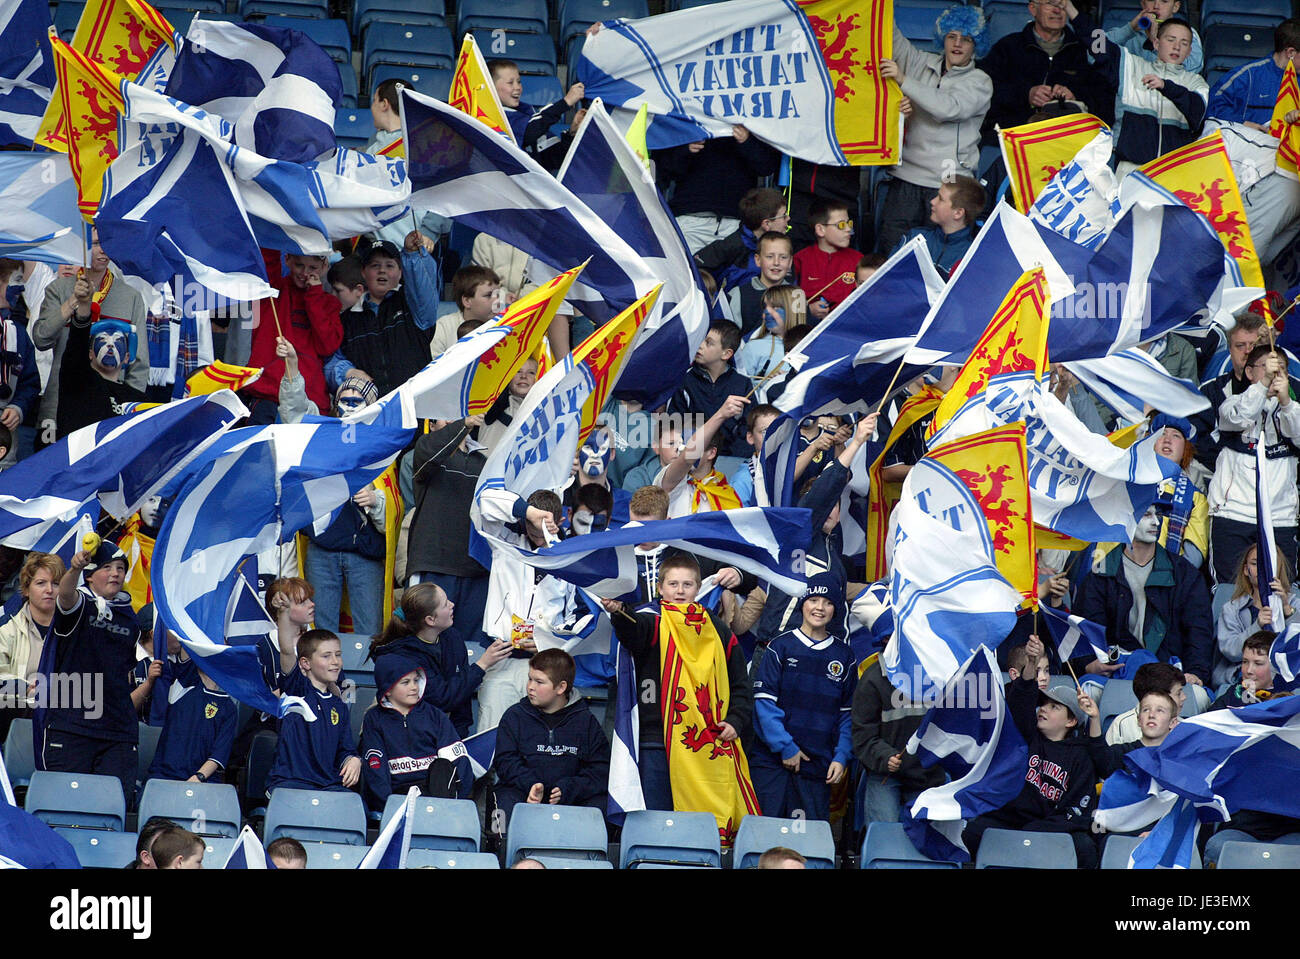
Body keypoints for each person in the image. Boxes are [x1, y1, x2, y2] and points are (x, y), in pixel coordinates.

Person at [600, 554, 754, 829]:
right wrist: (618, 611)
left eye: (687, 584)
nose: (680, 591)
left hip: (707, 743)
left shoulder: (718, 629)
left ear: (699, 588)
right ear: (660, 588)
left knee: (697, 826)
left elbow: (740, 684)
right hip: (656, 742)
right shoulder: (653, 620)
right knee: (655, 826)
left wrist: (735, 720)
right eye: (673, 584)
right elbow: (633, 630)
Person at [962, 636, 1099, 868]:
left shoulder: (1080, 756)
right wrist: (1031, 665)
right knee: (971, 834)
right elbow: (1021, 701)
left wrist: (1036, 831)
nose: (1043, 710)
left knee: (1085, 848)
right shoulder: (1026, 735)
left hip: (1052, 828)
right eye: (1043, 705)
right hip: (1011, 820)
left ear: (1071, 721)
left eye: (1054, 707)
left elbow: (1077, 812)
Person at [876, 5, 993, 254]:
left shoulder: (980, 81)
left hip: (948, 183)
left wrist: (904, 81)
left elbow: (947, 108)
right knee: (891, 252)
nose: (958, 44)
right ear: (943, 39)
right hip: (906, 177)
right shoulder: (922, 62)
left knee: (936, 257)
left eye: (966, 39)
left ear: (976, 46)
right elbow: (893, 38)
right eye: (952, 36)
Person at [750, 574, 856, 822]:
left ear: (836, 609)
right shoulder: (779, 647)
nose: (819, 608)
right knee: (763, 842)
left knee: (807, 846)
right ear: (803, 604)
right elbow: (764, 704)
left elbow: (847, 715)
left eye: (828, 602)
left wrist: (841, 757)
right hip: (772, 764)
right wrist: (786, 747)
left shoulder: (845, 656)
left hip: (817, 767)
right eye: (814, 600)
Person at [42, 541, 141, 804]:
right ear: (90, 575)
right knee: (66, 808)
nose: (115, 573)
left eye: (120, 568)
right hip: (73, 726)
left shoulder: (131, 619)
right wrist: (73, 569)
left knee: (110, 810)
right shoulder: (80, 603)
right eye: (107, 567)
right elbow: (65, 596)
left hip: (118, 731)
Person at [1073, 504, 1214, 687]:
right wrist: (1088, 664)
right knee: (1088, 689)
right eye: (1146, 515)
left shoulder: (1185, 574)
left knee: (1198, 695)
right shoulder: (1101, 575)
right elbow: (1087, 629)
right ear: (1126, 519)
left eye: (1159, 515)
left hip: (1172, 675)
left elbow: (1198, 630)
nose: (1156, 522)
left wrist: (1195, 672)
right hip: (1117, 673)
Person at [32, 228, 150, 440]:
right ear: (81, 246)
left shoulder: (130, 297)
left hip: (111, 412)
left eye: (107, 242)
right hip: (58, 405)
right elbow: (41, 338)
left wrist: (128, 409)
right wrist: (73, 302)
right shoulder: (59, 289)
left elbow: (138, 364)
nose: (102, 250)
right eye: (95, 243)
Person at [475, 488, 575, 731]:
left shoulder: (571, 557)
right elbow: (484, 500)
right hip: (502, 657)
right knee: (493, 734)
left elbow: (577, 616)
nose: (538, 536)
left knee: (539, 740)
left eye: (545, 529)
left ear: (560, 520)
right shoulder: (504, 542)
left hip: (546, 663)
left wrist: (546, 640)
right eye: (533, 527)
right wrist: (529, 512)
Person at [1067, 4, 1207, 176]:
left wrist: (1166, 86)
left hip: (1174, 174)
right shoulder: (1131, 66)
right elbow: (1097, 46)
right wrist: (1069, 8)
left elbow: (1198, 113)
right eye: (1170, 40)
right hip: (1129, 170)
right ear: (1156, 43)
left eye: (1183, 43)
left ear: (1189, 51)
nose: (1177, 47)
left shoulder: (1196, 83)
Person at [368, 583, 511, 738]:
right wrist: (482, 664)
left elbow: (461, 701)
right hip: (413, 738)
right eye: (445, 604)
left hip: (448, 734)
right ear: (430, 620)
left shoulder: (452, 637)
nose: (452, 605)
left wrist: (458, 739)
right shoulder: (403, 656)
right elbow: (443, 698)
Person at [1207, 345, 1300, 583]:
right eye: (1267, 368)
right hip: (1233, 515)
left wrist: (1287, 402)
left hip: (1280, 518)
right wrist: (1262, 387)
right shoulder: (1232, 402)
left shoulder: (1293, 409)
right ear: (1249, 373)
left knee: (1284, 593)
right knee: (1229, 592)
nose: (1274, 373)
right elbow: (1237, 417)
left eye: (1280, 369)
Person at [491, 649, 609, 824]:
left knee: (602, 806)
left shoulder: (586, 721)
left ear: (561, 687)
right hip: (523, 791)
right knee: (501, 802)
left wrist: (569, 789)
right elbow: (505, 762)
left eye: (539, 682)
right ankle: (500, 850)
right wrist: (531, 785)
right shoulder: (515, 715)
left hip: (571, 798)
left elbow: (599, 771)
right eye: (530, 678)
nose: (530, 686)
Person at [406, 414, 495, 646]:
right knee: (425, 641)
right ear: (432, 425)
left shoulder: (485, 463)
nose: (451, 421)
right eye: (445, 417)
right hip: (433, 565)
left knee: (471, 647)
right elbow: (433, 452)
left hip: (475, 568)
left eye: (457, 416)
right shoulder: (425, 448)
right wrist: (463, 424)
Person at [979, 0, 1113, 147]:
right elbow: (984, 91)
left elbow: (1104, 99)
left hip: (1066, 143)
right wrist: (1026, 94)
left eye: (1062, 5)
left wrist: (1075, 98)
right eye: (1050, 3)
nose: (1057, 10)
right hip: (1013, 140)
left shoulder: (1082, 51)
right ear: (1033, 9)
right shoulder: (1008, 47)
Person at [325, 236, 441, 398]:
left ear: (401, 272)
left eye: (389, 265)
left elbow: (423, 285)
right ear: (364, 273)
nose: (382, 270)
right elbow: (331, 362)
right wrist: (347, 371)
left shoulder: (414, 306)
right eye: (375, 265)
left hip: (417, 408)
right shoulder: (346, 320)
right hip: (372, 415)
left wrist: (411, 254)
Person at [241, 249, 343, 424]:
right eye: (299, 265)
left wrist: (314, 296)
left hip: (309, 400)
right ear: (287, 259)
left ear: (325, 266)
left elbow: (327, 346)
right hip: (267, 394)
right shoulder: (270, 291)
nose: (304, 273)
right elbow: (267, 254)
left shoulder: (329, 303)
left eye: (312, 267)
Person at [358, 656, 472, 811]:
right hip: (398, 795)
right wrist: (389, 805)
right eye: (405, 682)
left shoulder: (434, 715)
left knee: (442, 766)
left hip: (437, 793)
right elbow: (376, 769)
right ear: (388, 689)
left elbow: (459, 760)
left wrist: (456, 804)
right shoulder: (374, 719)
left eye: (416, 680)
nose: (414, 687)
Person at [654, 126, 780, 254]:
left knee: (733, 273)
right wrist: (685, 149)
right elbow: (663, 170)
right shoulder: (684, 119)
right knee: (685, 272)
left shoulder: (751, 121)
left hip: (736, 223)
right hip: (691, 218)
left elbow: (767, 167)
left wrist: (747, 141)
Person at [264, 628, 361, 795]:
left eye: (338, 655)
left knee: (355, 807)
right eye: (326, 656)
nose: (335, 661)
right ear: (305, 663)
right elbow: (287, 650)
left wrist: (354, 760)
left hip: (327, 786)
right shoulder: (295, 692)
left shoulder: (339, 706)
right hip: (290, 783)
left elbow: (345, 748)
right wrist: (285, 612)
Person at [1215, 544, 1300, 690]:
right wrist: (1257, 626)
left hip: (1288, 678)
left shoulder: (1294, 603)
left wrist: (1288, 611)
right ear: (1246, 569)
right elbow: (1231, 651)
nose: (1262, 569)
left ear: (1278, 569)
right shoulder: (1232, 608)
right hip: (1244, 678)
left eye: (1268, 564)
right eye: (1255, 564)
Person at [665, 321, 753, 459]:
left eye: (708, 343)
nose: (700, 346)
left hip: (732, 460)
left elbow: (749, 429)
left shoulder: (743, 384)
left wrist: (732, 457)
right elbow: (673, 424)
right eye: (700, 339)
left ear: (726, 354)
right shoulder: (685, 381)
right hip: (691, 458)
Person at [145, 656, 237, 785]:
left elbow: (219, 754)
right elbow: (185, 652)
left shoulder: (229, 708)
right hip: (165, 776)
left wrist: (198, 777)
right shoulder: (183, 685)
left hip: (204, 781)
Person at [0, 552, 63, 736]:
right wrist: (25, 688)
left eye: (56, 583)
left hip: (63, 725)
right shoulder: (7, 631)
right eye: (41, 583)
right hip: (14, 725)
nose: (49, 590)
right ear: (26, 589)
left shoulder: (76, 633)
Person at [489, 59, 586, 171]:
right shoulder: (493, 119)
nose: (517, 87)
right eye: (510, 83)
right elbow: (529, 133)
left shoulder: (526, 112)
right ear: (490, 87)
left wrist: (571, 134)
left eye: (519, 81)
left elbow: (551, 160)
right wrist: (565, 102)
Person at [1207, 18, 1300, 128]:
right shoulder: (1248, 75)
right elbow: (1211, 106)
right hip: (1248, 140)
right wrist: (1243, 123)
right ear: (1291, 53)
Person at [695, 187, 790, 295]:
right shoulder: (729, 247)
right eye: (783, 216)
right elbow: (695, 274)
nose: (788, 218)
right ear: (766, 224)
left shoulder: (784, 247)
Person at [892, 177, 985, 279]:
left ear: (958, 213)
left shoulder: (971, 256)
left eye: (940, 199)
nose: (932, 201)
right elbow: (887, 279)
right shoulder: (914, 238)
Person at [793, 200, 863, 321]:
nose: (848, 229)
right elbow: (788, 296)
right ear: (820, 230)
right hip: (807, 326)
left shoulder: (859, 260)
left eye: (849, 223)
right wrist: (807, 309)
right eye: (841, 225)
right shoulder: (801, 259)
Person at [734, 286, 802, 404]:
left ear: (793, 310)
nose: (767, 312)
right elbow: (739, 388)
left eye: (775, 307)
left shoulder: (811, 345)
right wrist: (767, 383)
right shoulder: (753, 347)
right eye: (765, 307)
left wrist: (789, 377)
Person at [726, 231, 796, 338]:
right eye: (769, 256)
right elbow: (729, 338)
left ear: (790, 262)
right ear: (758, 260)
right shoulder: (738, 294)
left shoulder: (796, 295)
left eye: (783, 257)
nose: (776, 262)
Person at [1106, 0, 1203, 75]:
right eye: (1151, 0)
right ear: (1143, 4)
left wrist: (1155, 44)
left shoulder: (1188, 34)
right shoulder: (1129, 34)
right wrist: (1129, 29)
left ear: (1175, 7)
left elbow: (1190, 69)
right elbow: (1093, 54)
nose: (1156, 6)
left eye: (1164, 1)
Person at [428, 264, 501, 360]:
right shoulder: (444, 327)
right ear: (467, 301)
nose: (497, 301)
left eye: (498, 295)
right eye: (488, 295)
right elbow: (432, 368)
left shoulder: (504, 327)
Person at [1104, 661, 1186, 745]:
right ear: (1158, 696)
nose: (1184, 697)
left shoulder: (1185, 727)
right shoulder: (1122, 724)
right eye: (1178, 693)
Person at [1212, 631, 1283, 709]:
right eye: (1245, 662)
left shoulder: (1288, 698)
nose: (1249, 670)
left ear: (1276, 666)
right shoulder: (1233, 694)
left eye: (1258, 663)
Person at [730, 403, 781, 507]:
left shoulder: (795, 468)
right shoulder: (742, 480)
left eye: (778, 430)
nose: (772, 437)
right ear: (750, 437)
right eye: (765, 431)